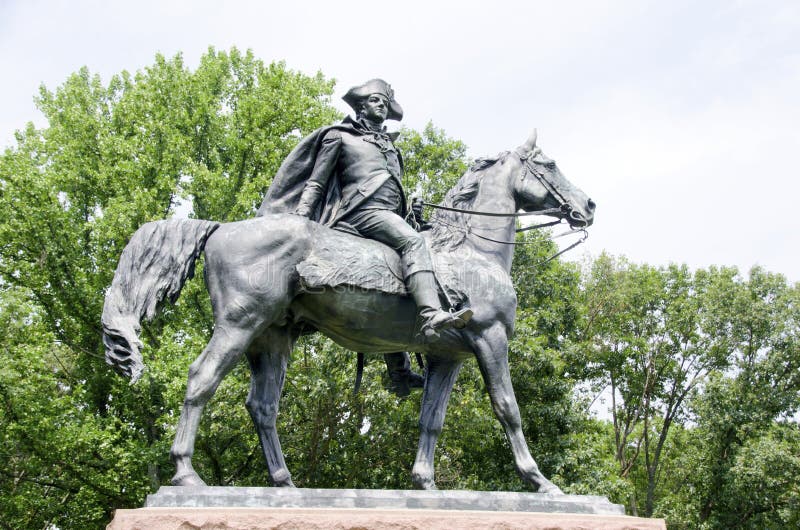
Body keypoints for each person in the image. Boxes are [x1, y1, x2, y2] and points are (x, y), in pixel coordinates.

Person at [257, 79, 471, 391]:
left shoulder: (391, 148)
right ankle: (430, 314)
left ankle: (399, 370)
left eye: (384, 102)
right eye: (374, 100)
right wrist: (300, 218)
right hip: (358, 215)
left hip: (386, 218)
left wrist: (410, 213)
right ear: (361, 106)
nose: (381, 105)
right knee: (413, 242)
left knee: (394, 279)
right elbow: (317, 182)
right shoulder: (340, 136)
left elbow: (390, 195)